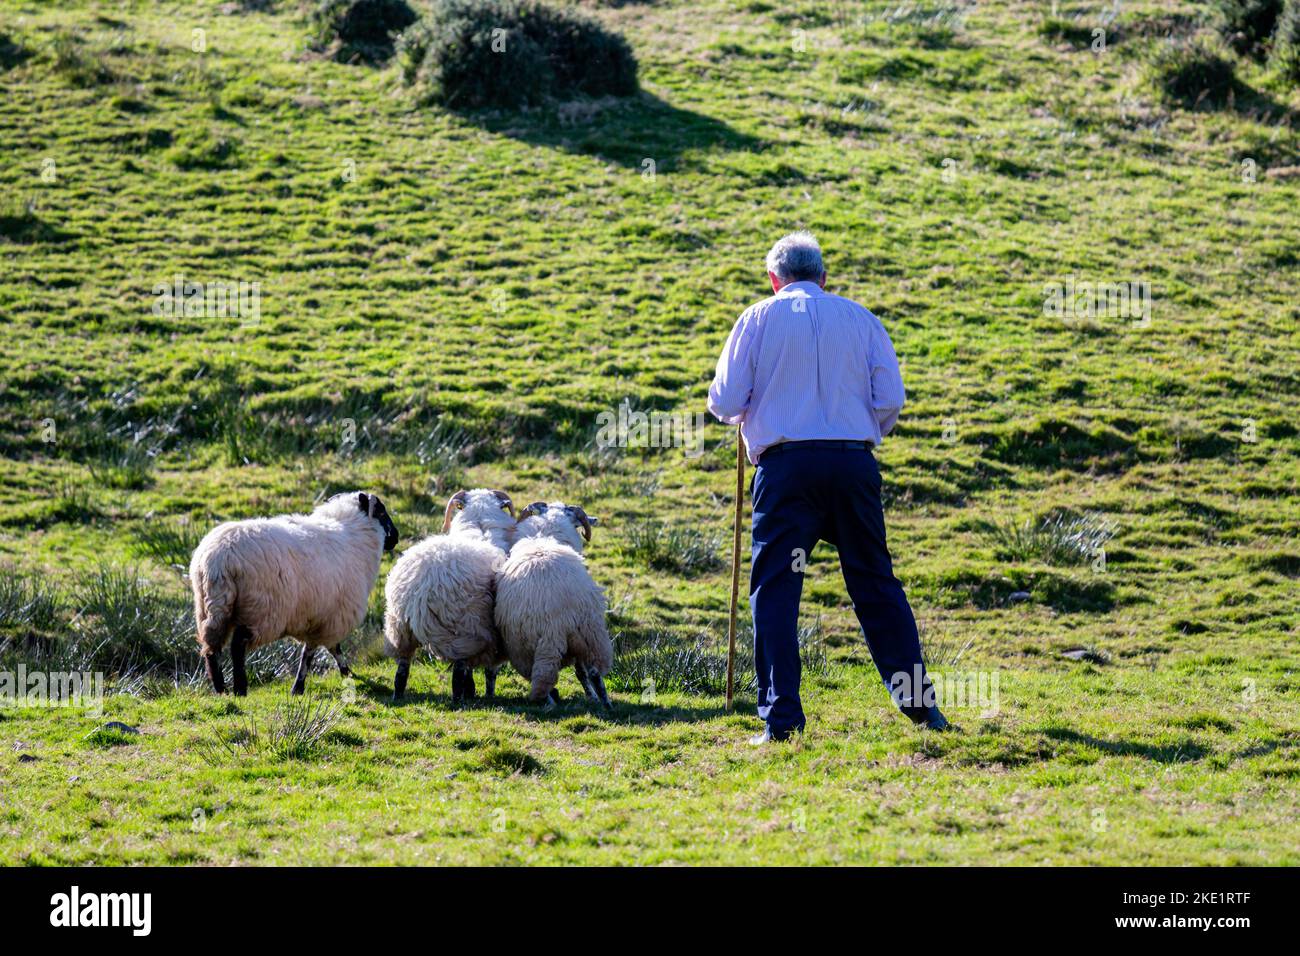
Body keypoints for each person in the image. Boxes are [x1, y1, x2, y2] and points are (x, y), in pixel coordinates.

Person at [707, 231, 948, 743]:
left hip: (787, 470)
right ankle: (924, 710)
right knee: (875, 584)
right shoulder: (861, 319)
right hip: (851, 466)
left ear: (775, 280)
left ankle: (782, 721)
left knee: (775, 591)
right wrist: (855, 432)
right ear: (824, 277)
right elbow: (891, 399)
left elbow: (726, 401)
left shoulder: (757, 318)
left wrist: (754, 411)